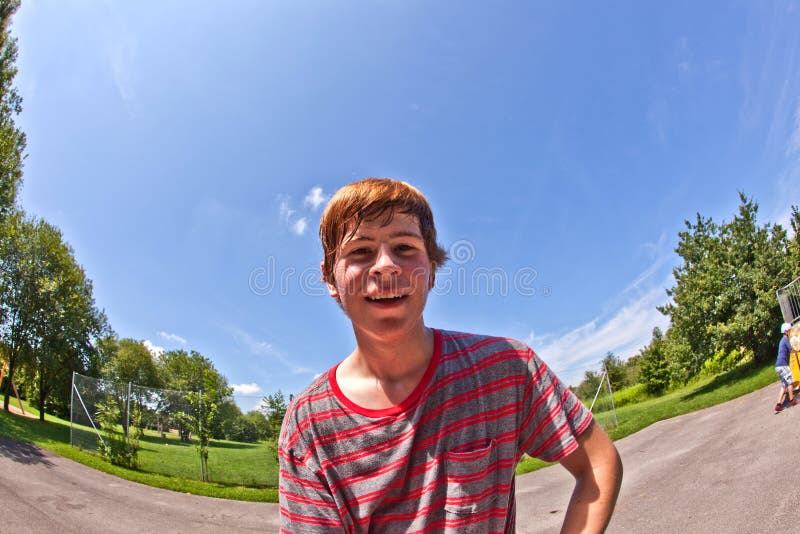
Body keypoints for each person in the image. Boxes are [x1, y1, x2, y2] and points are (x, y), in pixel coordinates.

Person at [278, 178, 623, 532]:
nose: (385, 265)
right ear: (330, 278)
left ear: (431, 270)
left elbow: (597, 462)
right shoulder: (309, 423)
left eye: (404, 246)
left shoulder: (506, 369)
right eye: (361, 251)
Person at [774, 322, 797, 413]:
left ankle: (778, 405)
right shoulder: (785, 339)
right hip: (782, 365)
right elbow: (791, 350)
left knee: (784, 385)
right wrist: (798, 350)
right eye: (790, 330)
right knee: (790, 381)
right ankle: (792, 400)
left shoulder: (782, 340)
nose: (790, 332)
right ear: (786, 331)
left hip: (778, 366)